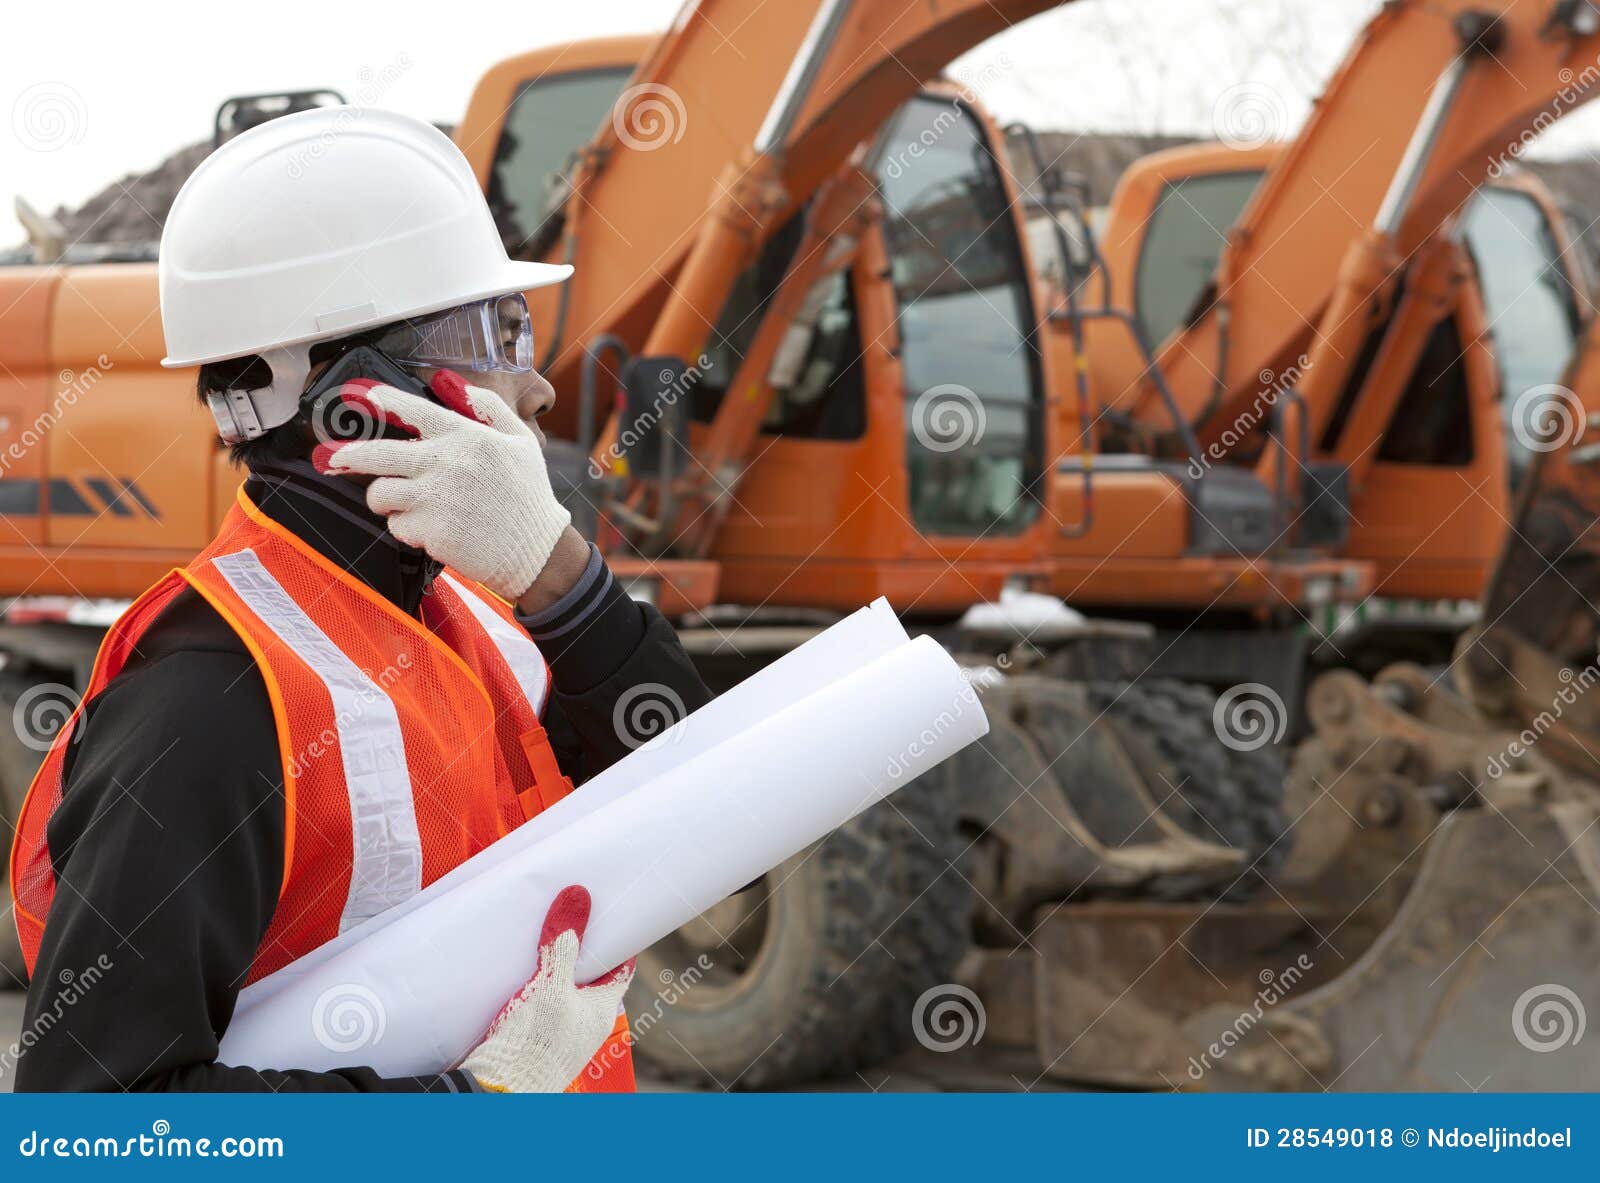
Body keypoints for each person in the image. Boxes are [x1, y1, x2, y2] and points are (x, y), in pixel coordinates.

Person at [9, 107, 710, 1092]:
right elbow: (96, 1129)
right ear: (361, 401)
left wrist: (560, 573)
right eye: (499, 334)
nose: (539, 387)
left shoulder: (481, 616)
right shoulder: (212, 698)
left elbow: (695, 805)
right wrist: (469, 1105)